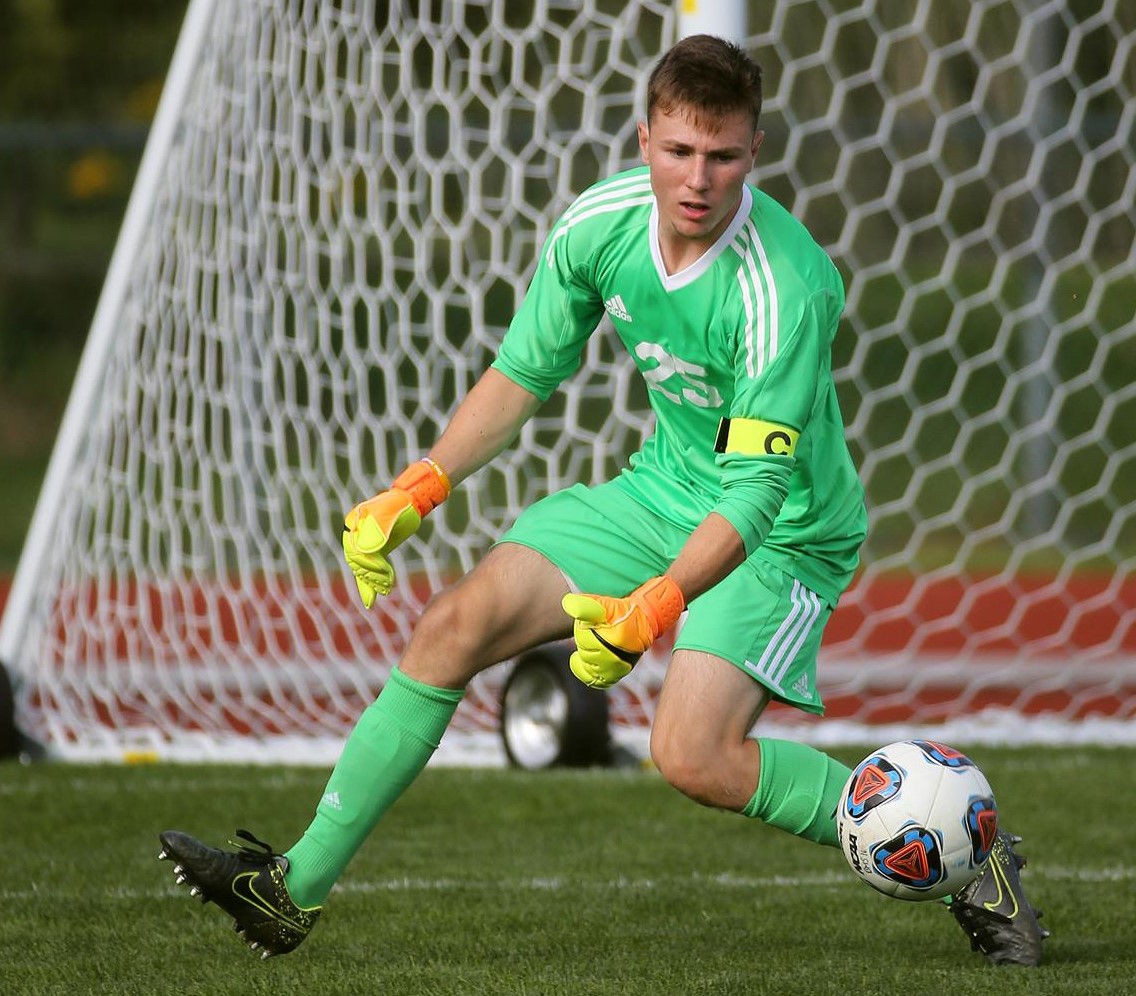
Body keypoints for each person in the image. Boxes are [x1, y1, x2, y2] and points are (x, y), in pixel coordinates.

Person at [158, 34, 1046, 967]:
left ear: (756, 153)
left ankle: (968, 850)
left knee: (692, 757)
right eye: (677, 151)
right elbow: (520, 374)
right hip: (660, 491)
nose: (697, 178)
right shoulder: (599, 225)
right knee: (452, 625)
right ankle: (289, 892)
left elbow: (754, 493)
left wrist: (657, 605)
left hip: (783, 533)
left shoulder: (785, 288)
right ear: (644, 139)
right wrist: (417, 488)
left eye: (723, 155)